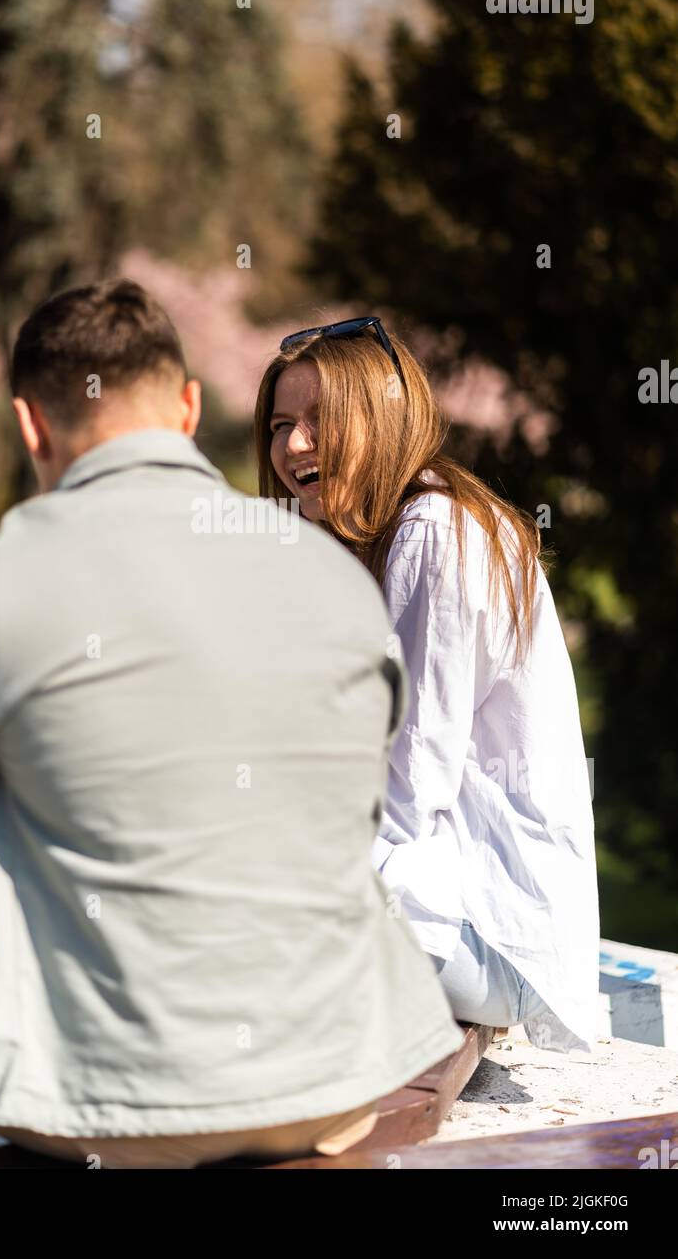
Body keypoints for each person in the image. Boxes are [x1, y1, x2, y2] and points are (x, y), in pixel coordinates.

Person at [0, 282, 464, 1170]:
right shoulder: (333, 582)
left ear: (30, 426)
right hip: (336, 1077)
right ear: (190, 408)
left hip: (123, 1107)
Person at [254, 316, 601, 1054]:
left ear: (380, 421)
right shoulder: (412, 526)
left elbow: (405, 793)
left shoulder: (432, 531)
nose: (292, 447)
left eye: (319, 421)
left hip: (483, 937)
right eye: (282, 424)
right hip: (452, 917)